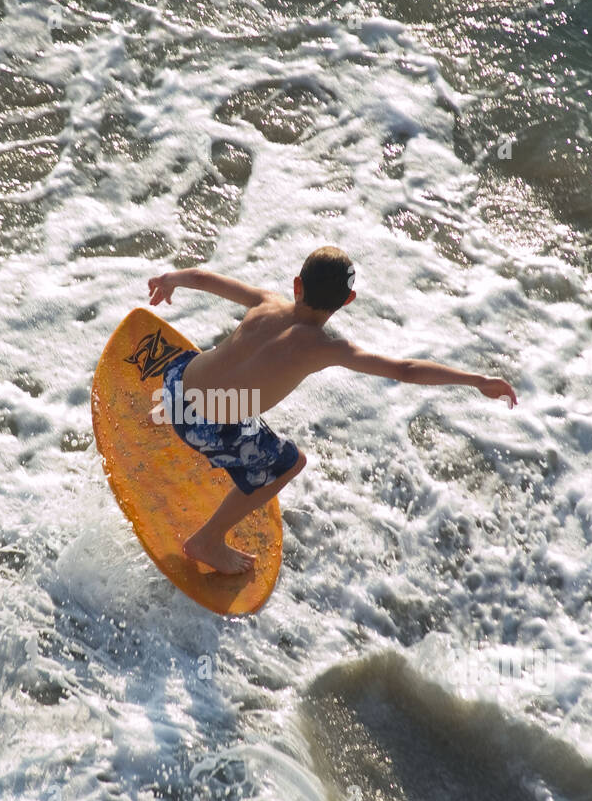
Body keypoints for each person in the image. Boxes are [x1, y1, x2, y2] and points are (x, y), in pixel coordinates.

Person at [149, 245, 518, 574]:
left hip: (173, 388)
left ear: (297, 285)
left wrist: (170, 279)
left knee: (222, 370)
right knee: (289, 463)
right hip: (201, 427)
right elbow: (404, 369)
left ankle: (169, 421)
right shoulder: (327, 348)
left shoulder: (266, 301)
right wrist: (476, 379)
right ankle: (207, 541)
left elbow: (200, 276)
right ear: (348, 300)